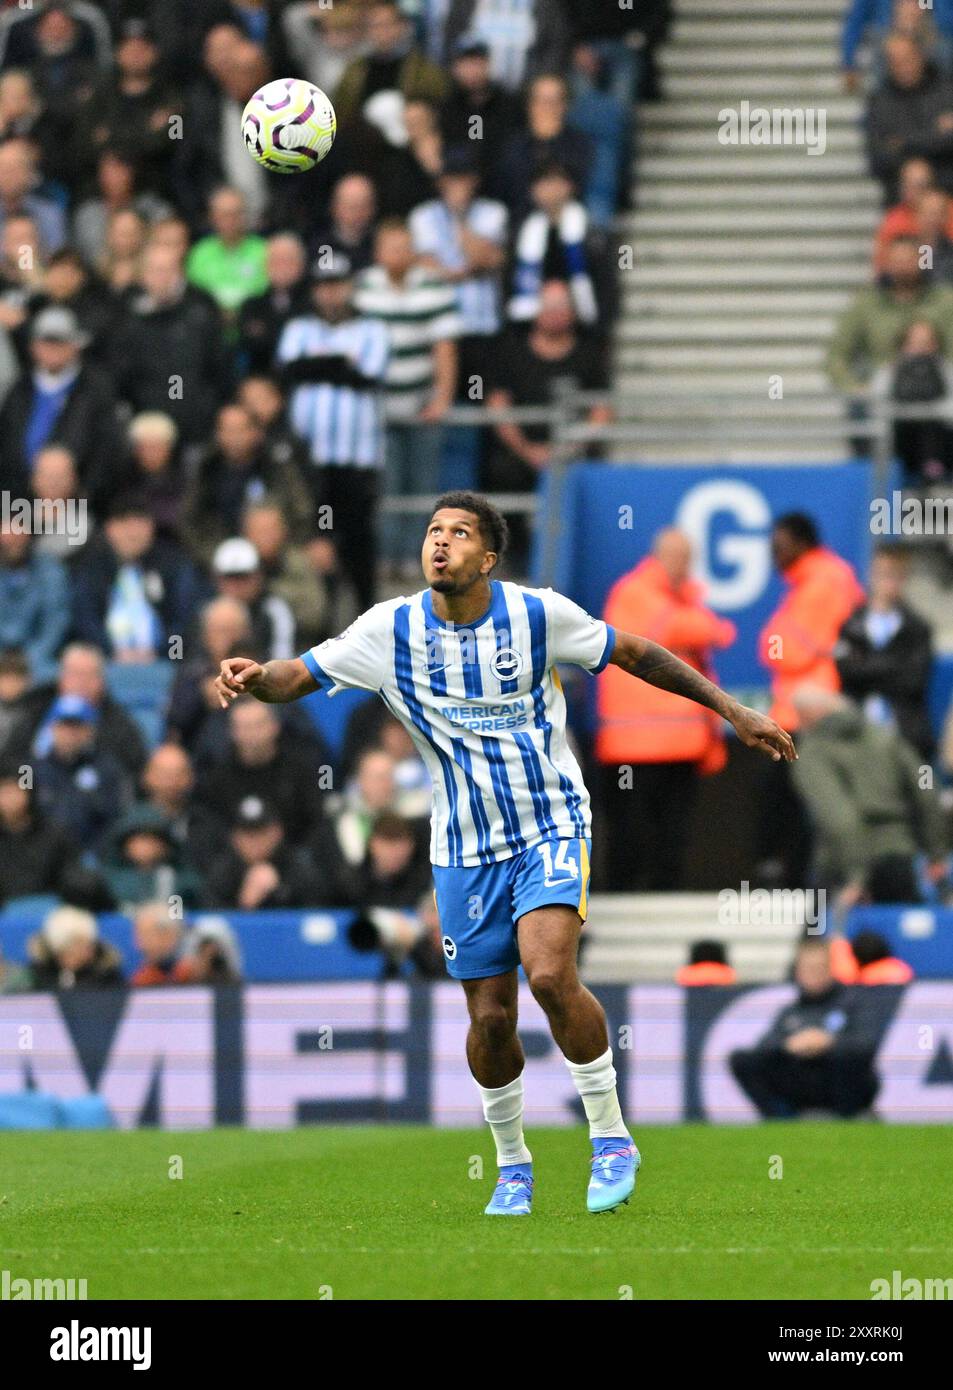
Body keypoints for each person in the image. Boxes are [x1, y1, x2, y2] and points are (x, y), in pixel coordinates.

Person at [214, 490, 795, 1216]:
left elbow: (637, 653)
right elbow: (295, 676)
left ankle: (610, 1136)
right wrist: (254, 677)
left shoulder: (537, 614)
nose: (440, 543)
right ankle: (513, 1163)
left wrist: (731, 709)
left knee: (550, 974)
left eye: (458, 534)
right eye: (432, 531)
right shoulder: (386, 629)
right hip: (462, 847)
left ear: (487, 558)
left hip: (549, 822)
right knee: (490, 1018)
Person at [595, 528, 736, 892]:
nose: (683, 565)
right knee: (632, 829)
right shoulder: (635, 592)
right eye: (676, 556)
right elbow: (668, 630)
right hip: (633, 745)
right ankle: (626, 894)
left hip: (681, 743)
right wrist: (713, 626)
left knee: (673, 830)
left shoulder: (683, 599)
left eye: (688, 557)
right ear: (658, 555)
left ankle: (662, 890)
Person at [275, 250, 390, 610]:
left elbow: (369, 375)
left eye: (337, 285)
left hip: (357, 459)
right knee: (316, 538)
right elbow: (290, 370)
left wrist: (317, 365)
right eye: (323, 286)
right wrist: (341, 363)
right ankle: (319, 621)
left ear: (349, 287)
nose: (330, 294)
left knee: (359, 541)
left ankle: (366, 615)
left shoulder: (373, 328)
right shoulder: (298, 328)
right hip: (311, 460)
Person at [353, 218, 461, 573]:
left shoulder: (433, 286)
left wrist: (442, 399)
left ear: (413, 251)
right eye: (390, 247)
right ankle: (385, 559)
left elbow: (444, 347)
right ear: (378, 252)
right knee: (386, 485)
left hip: (420, 404)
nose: (397, 254)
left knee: (422, 487)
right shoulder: (363, 288)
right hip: (376, 410)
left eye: (403, 247)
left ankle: (420, 560)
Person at [790, 685, 948, 908]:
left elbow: (839, 818)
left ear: (806, 717)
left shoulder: (812, 753)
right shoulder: (886, 737)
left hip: (842, 869)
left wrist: (857, 876)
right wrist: (936, 854)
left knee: (824, 941)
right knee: (901, 937)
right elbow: (927, 788)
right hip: (899, 858)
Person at [729, 939, 880, 1119]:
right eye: (808, 969)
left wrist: (829, 1042)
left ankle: (847, 1119)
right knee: (742, 1059)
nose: (813, 974)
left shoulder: (853, 1003)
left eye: (819, 968)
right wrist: (789, 1045)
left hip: (842, 1086)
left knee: (846, 1057)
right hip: (801, 1083)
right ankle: (780, 1119)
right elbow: (765, 1046)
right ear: (798, 972)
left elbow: (867, 1044)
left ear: (831, 968)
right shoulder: (790, 1011)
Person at [835, 545, 935, 757]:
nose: (888, 582)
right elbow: (846, 674)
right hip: (857, 735)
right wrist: (894, 665)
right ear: (872, 574)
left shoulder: (918, 628)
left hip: (904, 736)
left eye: (896, 575)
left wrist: (866, 666)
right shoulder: (850, 625)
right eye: (883, 574)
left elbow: (913, 681)